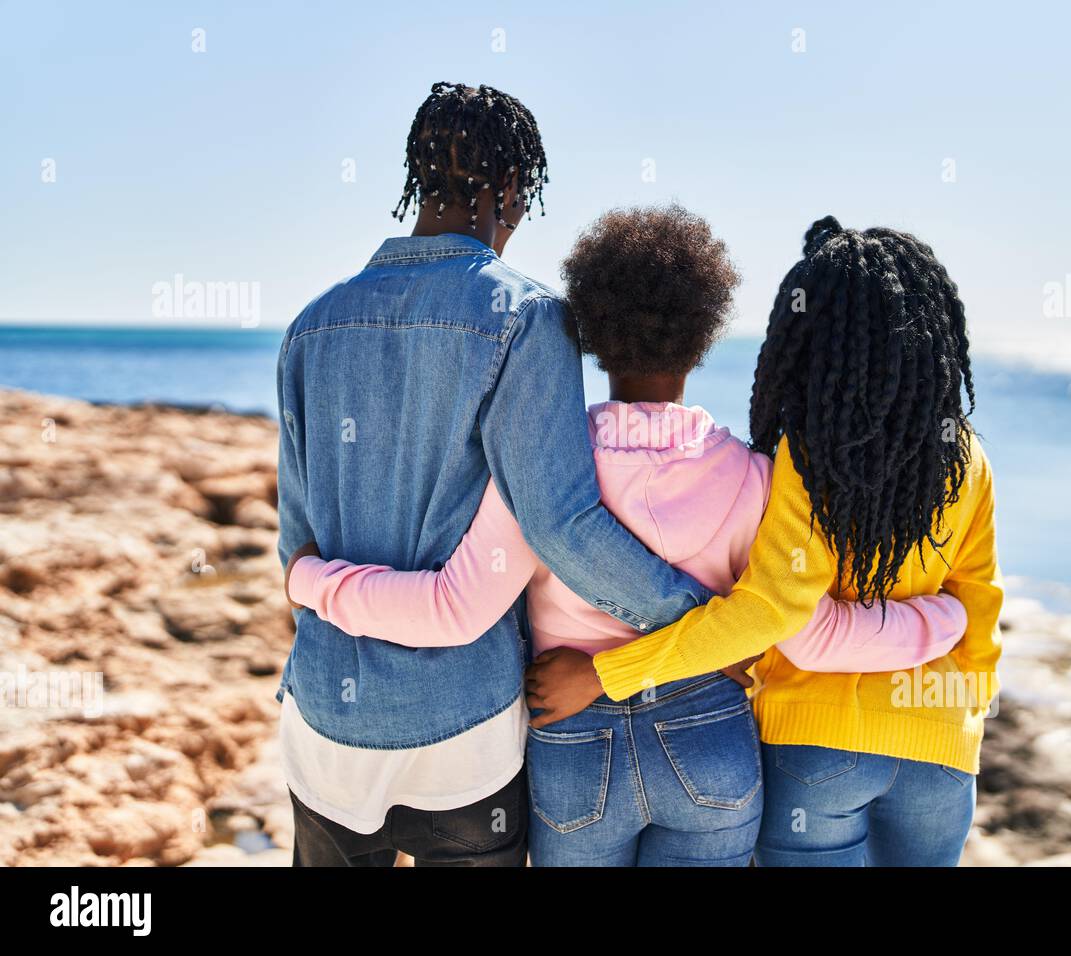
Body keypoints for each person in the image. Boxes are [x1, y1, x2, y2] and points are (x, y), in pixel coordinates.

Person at [284, 205, 970, 866]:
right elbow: (779, 618)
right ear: (704, 338)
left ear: (590, 335)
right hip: (711, 741)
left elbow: (473, 589)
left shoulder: (548, 461)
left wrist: (313, 579)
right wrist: (949, 619)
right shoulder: (759, 475)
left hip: (574, 740)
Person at [274, 85, 713, 867]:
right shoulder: (526, 318)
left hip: (327, 718)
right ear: (511, 189)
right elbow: (561, 522)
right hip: (461, 726)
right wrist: (693, 613)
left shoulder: (311, 327)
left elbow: (297, 549)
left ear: (416, 174)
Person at [527, 216, 1004, 866]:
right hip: (939, 753)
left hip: (811, 748)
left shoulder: (804, 458)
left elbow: (784, 622)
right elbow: (980, 616)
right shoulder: (965, 460)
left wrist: (605, 672)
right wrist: (954, 673)